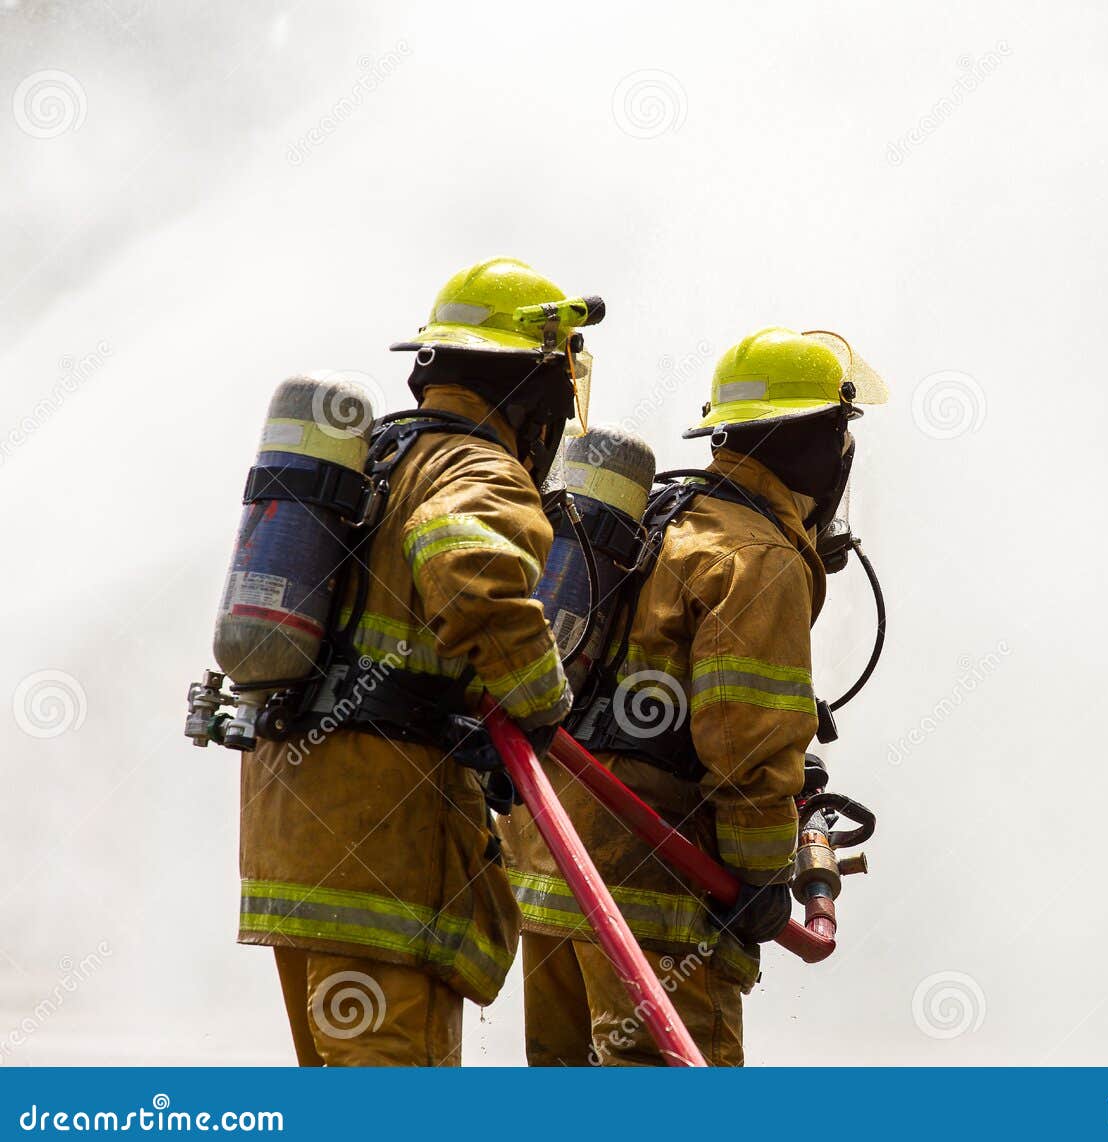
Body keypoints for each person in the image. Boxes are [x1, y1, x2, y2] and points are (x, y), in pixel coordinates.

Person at [237, 257, 594, 1065]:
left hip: (295, 836)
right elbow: (469, 570)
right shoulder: (475, 467)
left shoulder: (376, 456)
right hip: (386, 851)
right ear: (534, 385)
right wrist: (541, 703)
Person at [504, 326, 880, 1065]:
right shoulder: (759, 558)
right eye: (840, 432)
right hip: (657, 894)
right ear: (816, 440)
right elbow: (746, 746)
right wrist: (764, 877)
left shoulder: (662, 518)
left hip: (554, 870)